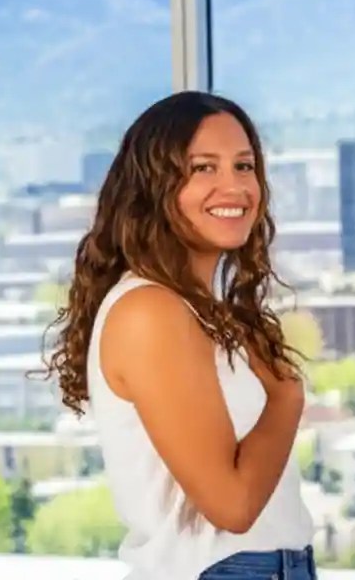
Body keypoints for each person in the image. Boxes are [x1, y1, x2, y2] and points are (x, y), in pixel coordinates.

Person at [41, 91, 317, 580]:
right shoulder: (151, 310)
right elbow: (232, 506)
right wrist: (286, 397)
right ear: (153, 188)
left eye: (244, 166)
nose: (234, 186)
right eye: (203, 168)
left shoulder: (198, 308)